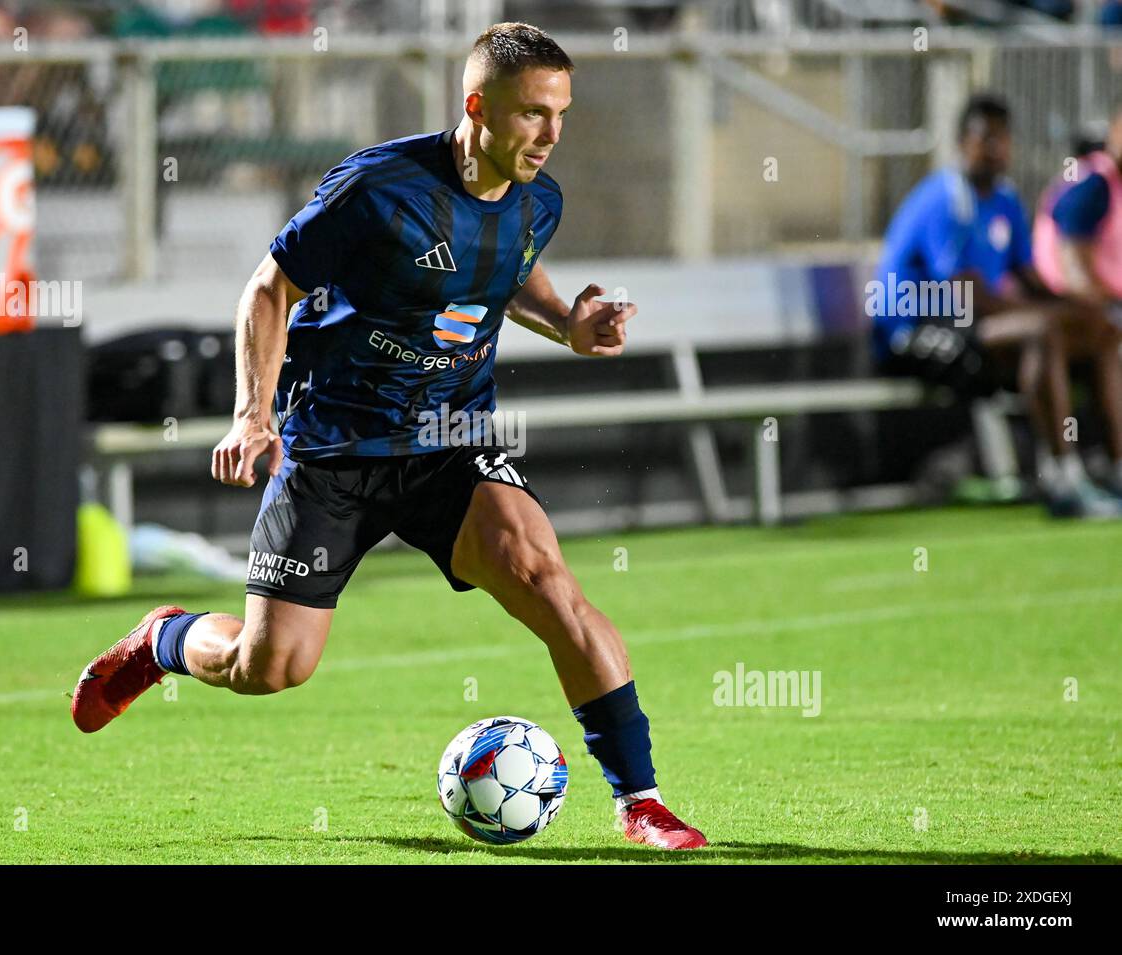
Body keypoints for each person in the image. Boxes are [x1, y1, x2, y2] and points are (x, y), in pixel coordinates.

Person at [71, 22, 708, 850]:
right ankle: (165, 638)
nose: (550, 135)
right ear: (476, 107)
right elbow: (268, 290)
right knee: (271, 668)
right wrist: (252, 414)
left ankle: (641, 800)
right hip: (333, 449)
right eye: (531, 115)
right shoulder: (379, 188)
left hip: (449, 439)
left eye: (561, 114)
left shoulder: (537, 199)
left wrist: (568, 324)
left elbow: (505, 272)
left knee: (545, 575)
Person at [872, 93, 1122, 518]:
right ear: (960, 143)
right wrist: (1049, 317)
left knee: (1102, 333)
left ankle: (1117, 470)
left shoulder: (1004, 198)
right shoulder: (946, 198)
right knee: (1044, 332)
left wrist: (1079, 312)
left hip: (970, 330)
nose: (995, 149)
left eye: (1002, 139)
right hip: (915, 333)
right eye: (984, 138)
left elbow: (1028, 278)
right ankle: (1063, 480)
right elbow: (963, 295)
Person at [1032, 109, 1122, 496]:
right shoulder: (1094, 184)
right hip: (1066, 310)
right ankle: (1079, 473)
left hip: (1086, 312)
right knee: (1111, 336)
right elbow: (1072, 273)